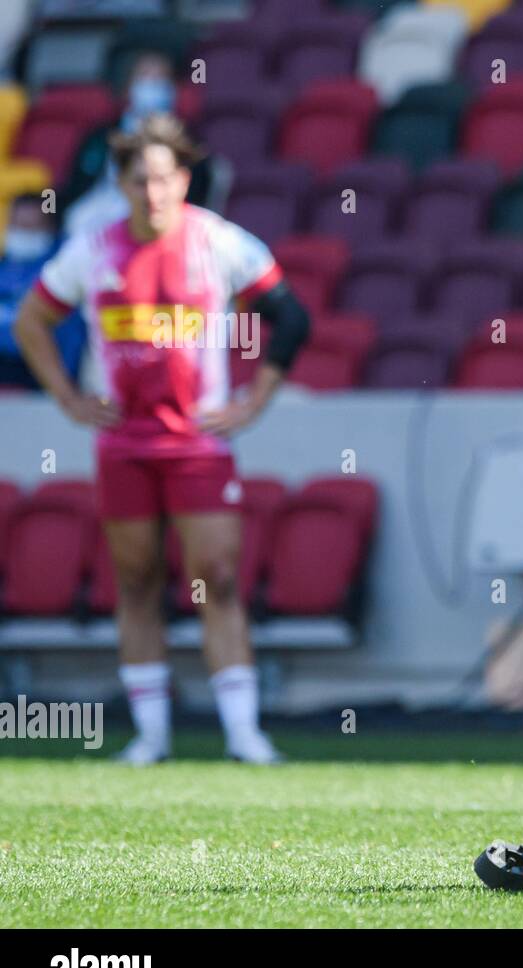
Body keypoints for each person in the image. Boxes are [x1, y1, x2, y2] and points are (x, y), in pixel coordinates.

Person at [13, 114, 310, 765]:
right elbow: (33, 320)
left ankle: (243, 735)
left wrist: (255, 399)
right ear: (120, 184)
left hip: (198, 444)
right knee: (138, 580)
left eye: (166, 178)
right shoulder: (93, 250)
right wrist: (65, 396)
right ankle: (151, 737)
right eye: (141, 179)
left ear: (184, 180)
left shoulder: (219, 243)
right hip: (124, 444)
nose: (155, 192)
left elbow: (290, 315)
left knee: (218, 577)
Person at [63, 50, 215, 237]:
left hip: (163, 210)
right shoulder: (101, 136)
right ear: (128, 86)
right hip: (103, 208)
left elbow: (199, 183)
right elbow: (78, 182)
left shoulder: (187, 136)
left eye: (160, 78)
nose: (152, 84)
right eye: (145, 76)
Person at [0, 193, 85, 388]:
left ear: (51, 229)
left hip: (41, 382)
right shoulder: (4, 266)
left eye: (32, 228)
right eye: (19, 226)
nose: (24, 234)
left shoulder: (63, 270)